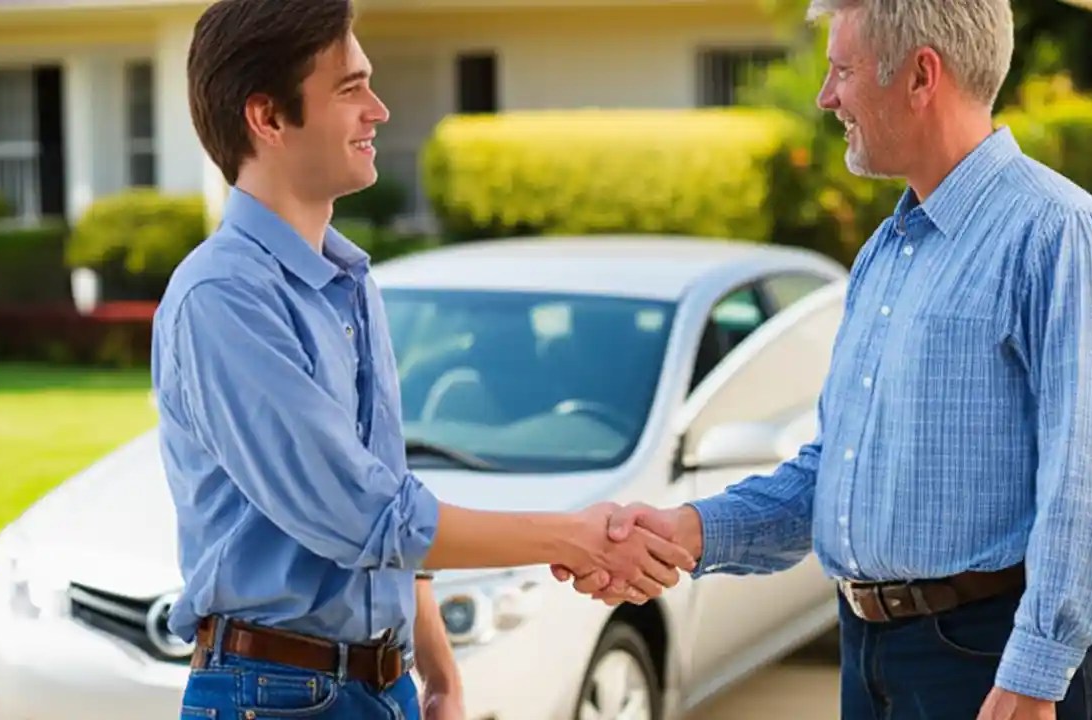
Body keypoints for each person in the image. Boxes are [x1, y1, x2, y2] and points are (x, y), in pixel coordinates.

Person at [556, 1, 1092, 718]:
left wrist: (1035, 675)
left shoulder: (1060, 237)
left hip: (991, 665)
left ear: (921, 76)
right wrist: (691, 532)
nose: (825, 96)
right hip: (869, 655)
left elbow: (1090, 489)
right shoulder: (885, 253)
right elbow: (836, 469)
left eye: (842, 70)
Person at [151, 1, 695, 718]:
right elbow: (359, 514)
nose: (377, 109)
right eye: (349, 89)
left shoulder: (348, 282)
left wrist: (436, 669)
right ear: (268, 118)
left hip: (379, 685)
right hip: (273, 697)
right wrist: (575, 537)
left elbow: (388, 488)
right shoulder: (224, 297)